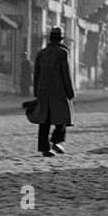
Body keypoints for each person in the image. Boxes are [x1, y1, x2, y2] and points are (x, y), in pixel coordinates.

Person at [32, 27, 75, 156]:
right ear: (61, 39)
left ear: (50, 38)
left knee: (44, 120)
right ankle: (56, 142)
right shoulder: (63, 53)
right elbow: (66, 74)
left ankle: (45, 147)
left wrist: (36, 91)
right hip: (59, 91)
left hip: (43, 91)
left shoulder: (41, 53)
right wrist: (70, 91)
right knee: (61, 118)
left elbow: (36, 75)